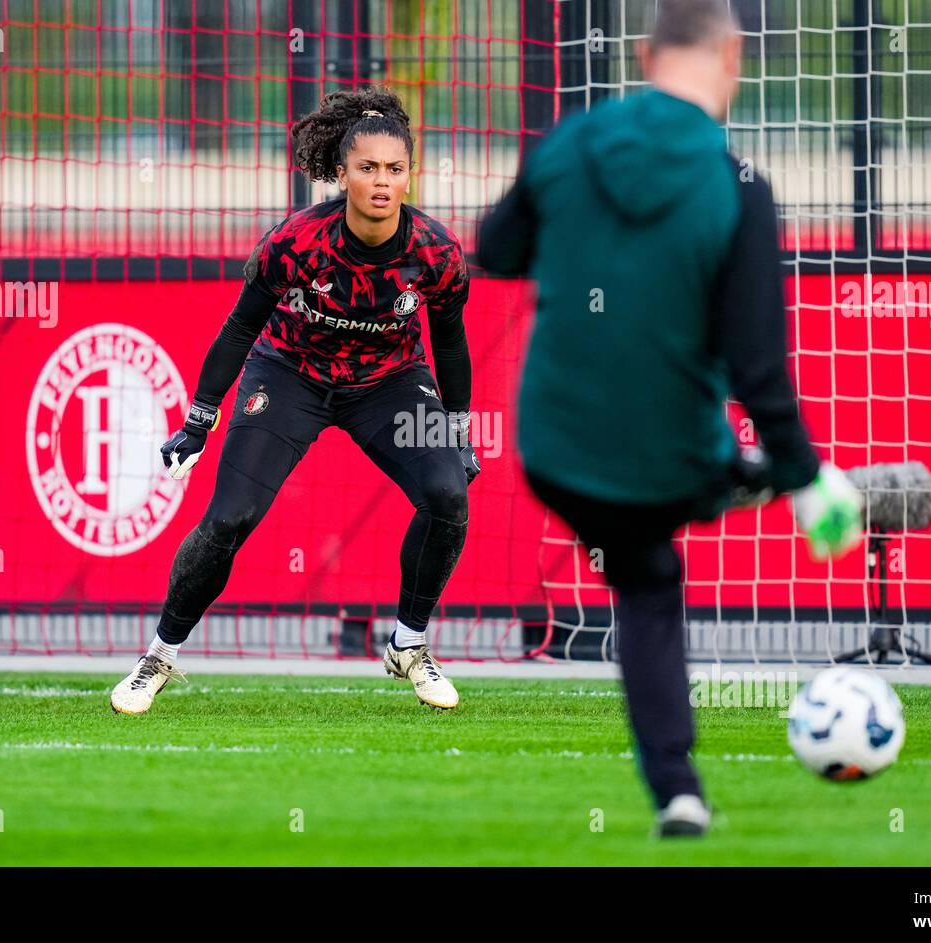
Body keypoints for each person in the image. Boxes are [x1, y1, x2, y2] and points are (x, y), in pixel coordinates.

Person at [477, 0, 863, 835]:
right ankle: (758, 483)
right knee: (659, 564)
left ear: (646, 55)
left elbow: (494, 249)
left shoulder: (572, 142)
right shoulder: (740, 186)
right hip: (672, 455)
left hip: (554, 447)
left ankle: (680, 793)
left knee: (644, 573)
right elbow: (759, 368)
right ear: (733, 59)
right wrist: (806, 477)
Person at [111, 87, 481, 715]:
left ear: (410, 174)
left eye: (395, 169)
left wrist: (458, 427)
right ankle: (160, 655)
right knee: (228, 520)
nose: (382, 182)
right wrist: (198, 421)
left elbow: (450, 342)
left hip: (389, 381)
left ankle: (409, 646)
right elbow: (238, 329)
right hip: (290, 376)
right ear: (342, 174)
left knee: (448, 494)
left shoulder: (436, 253)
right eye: (367, 169)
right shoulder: (297, 241)